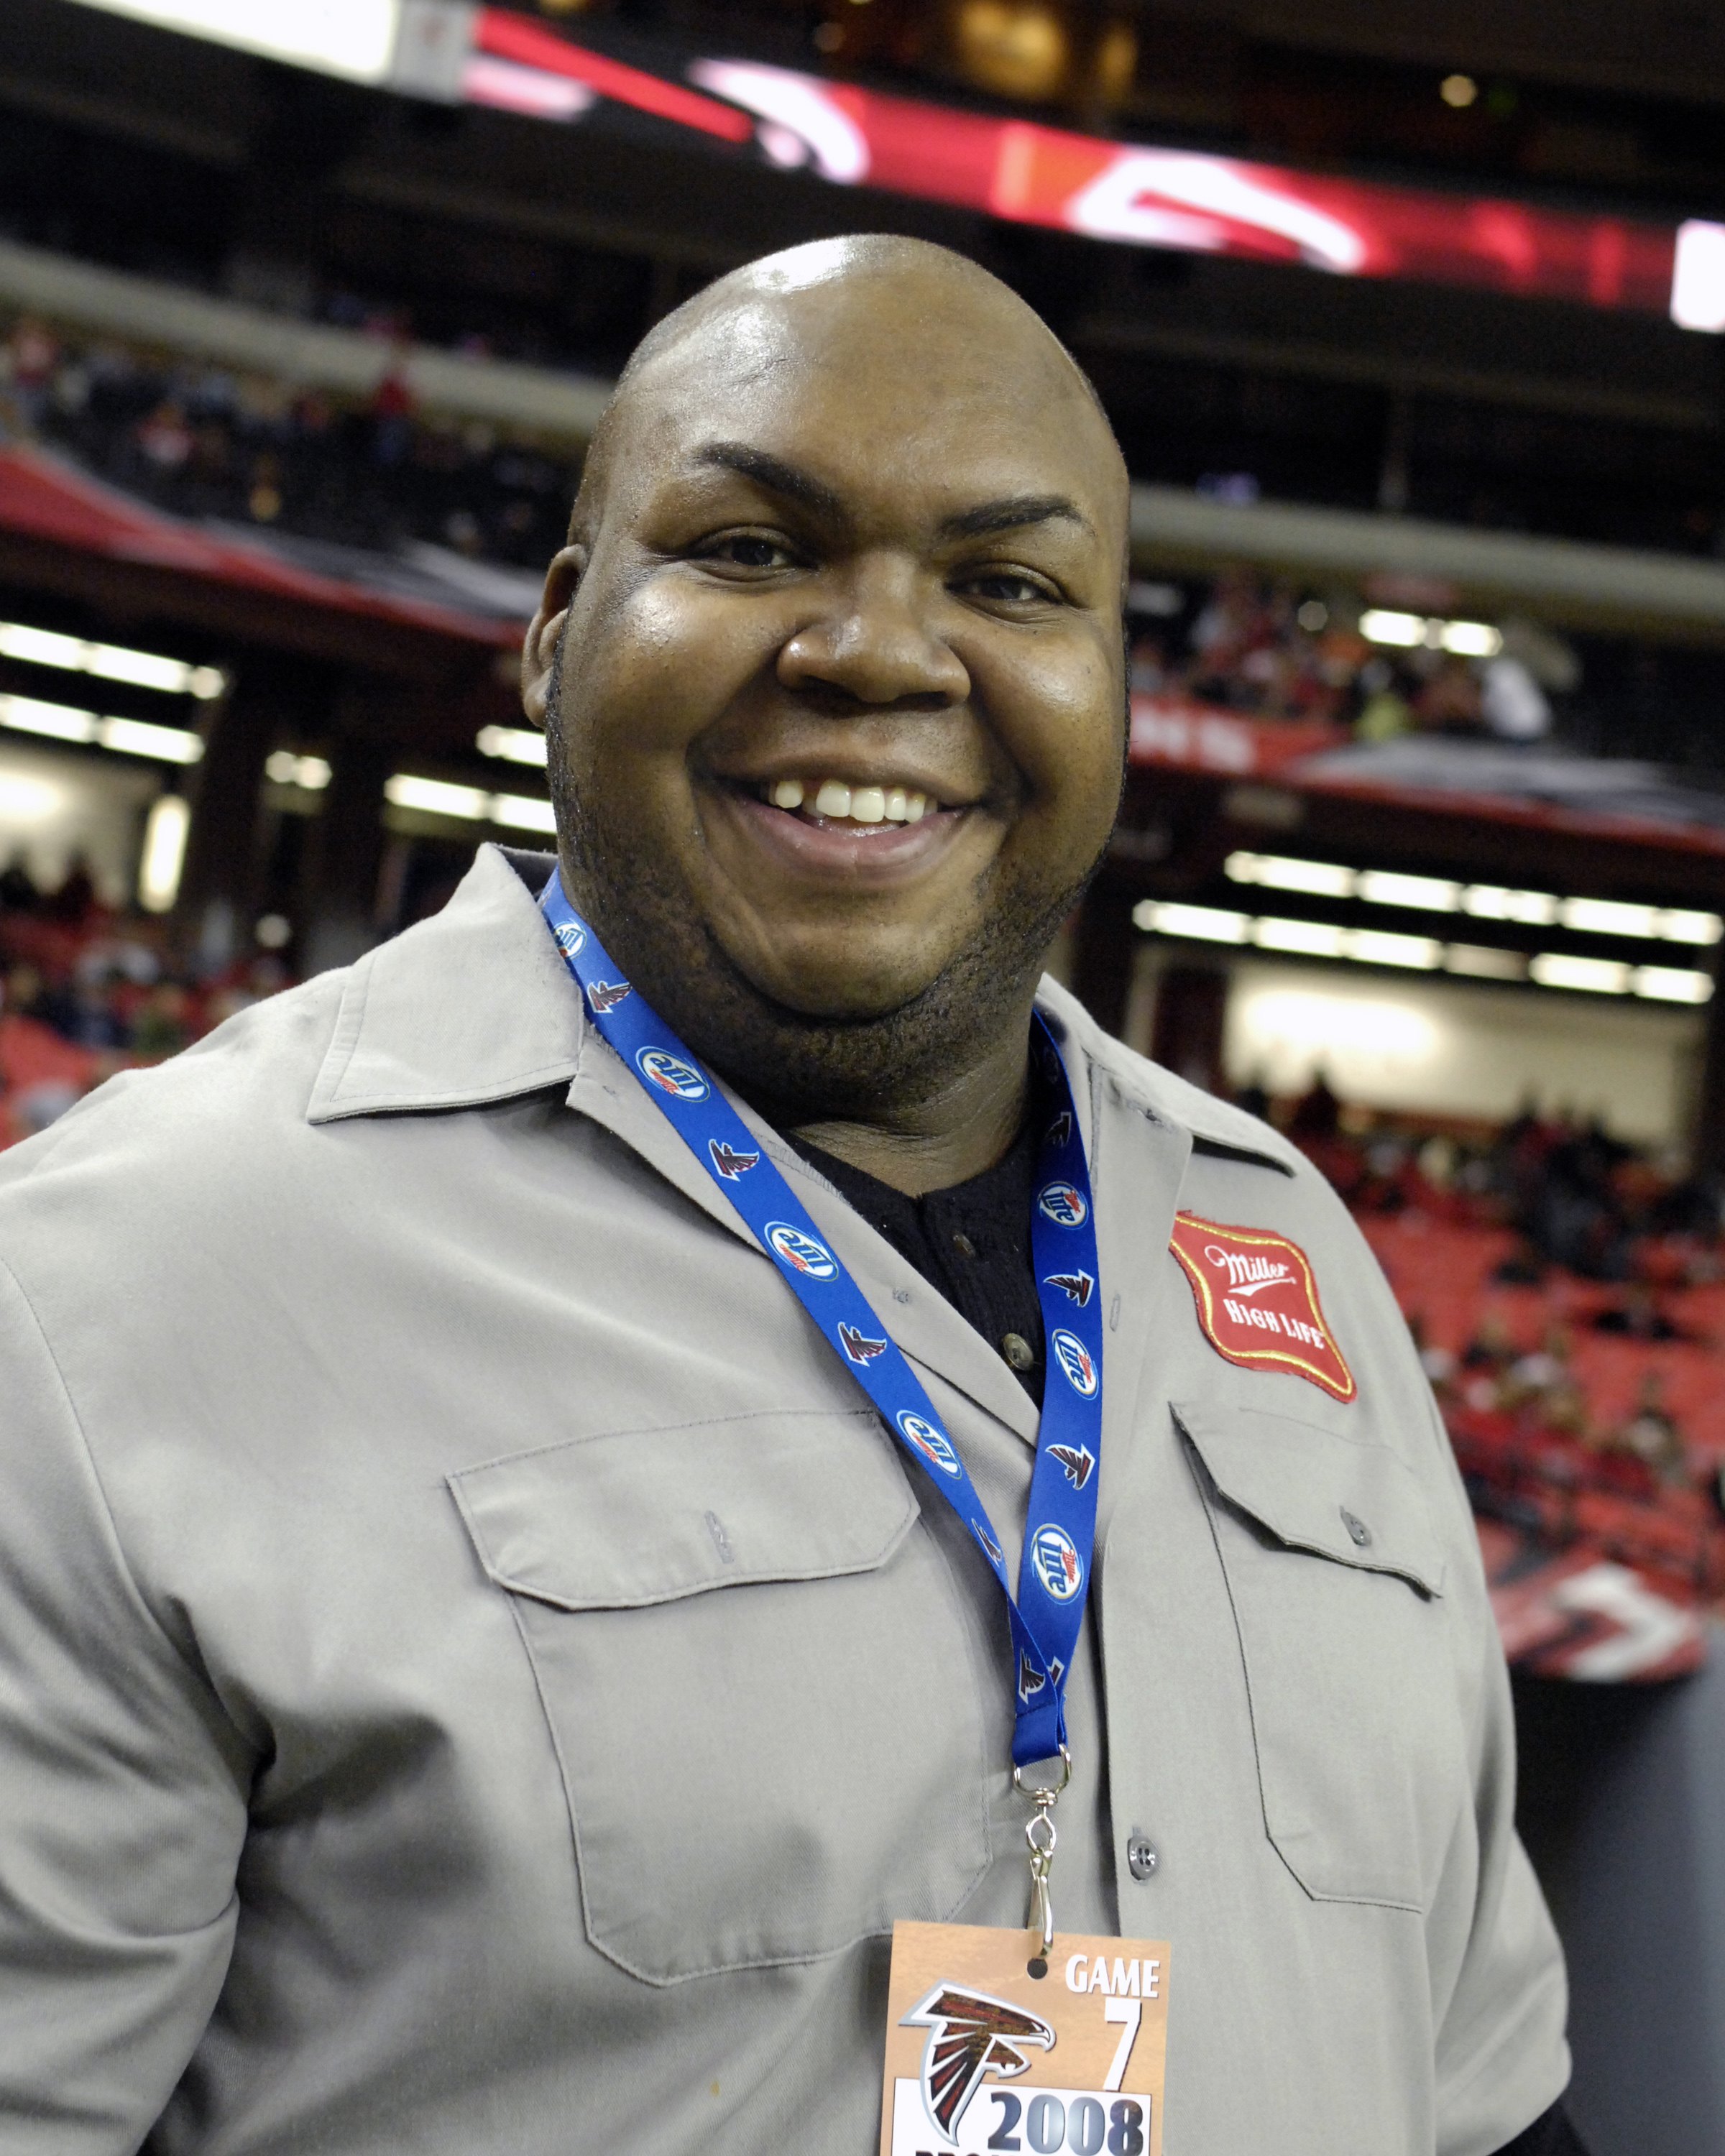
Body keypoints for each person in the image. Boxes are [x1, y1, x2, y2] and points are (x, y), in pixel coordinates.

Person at [0, 236, 1578, 2152]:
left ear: (1113, 691)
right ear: (557, 625)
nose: (883, 654)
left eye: (1007, 581)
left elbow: (1482, 2094)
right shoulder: (128, 1277)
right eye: (753, 547)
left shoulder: (1285, 1255)